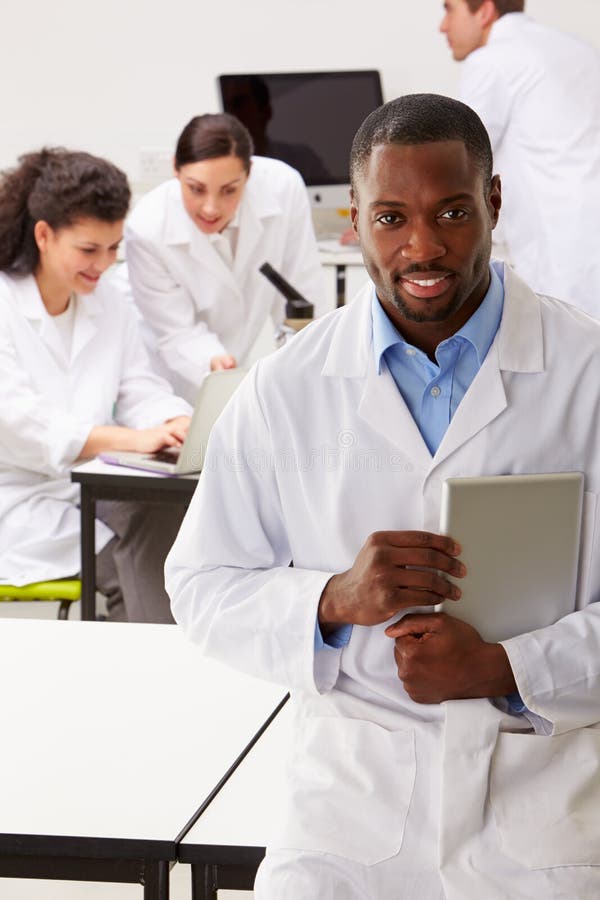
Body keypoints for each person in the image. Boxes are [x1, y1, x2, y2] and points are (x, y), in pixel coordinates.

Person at [166, 93, 600, 898]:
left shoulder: (589, 372)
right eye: (391, 218)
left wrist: (506, 666)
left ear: (494, 201)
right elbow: (202, 585)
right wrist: (332, 600)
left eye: (453, 212)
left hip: (550, 807)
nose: (422, 247)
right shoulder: (285, 389)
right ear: (355, 220)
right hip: (348, 813)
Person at [0, 148, 192, 623]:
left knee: (175, 523)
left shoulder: (107, 301)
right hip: (18, 502)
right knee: (140, 564)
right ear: (44, 235)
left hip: (89, 486)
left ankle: (160, 646)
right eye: (89, 250)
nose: (104, 263)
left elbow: (137, 386)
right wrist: (131, 439)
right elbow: (17, 420)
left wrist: (173, 421)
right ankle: (147, 654)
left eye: (113, 248)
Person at [123, 113, 325, 403]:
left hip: (232, 365)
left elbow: (302, 292)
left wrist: (305, 369)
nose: (211, 208)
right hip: (166, 375)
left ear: (249, 173)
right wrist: (216, 362)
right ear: (175, 169)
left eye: (229, 190)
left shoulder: (283, 188)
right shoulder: (148, 227)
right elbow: (177, 333)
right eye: (196, 189)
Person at [440, 0, 600, 317]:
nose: (443, 26)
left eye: (450, 9)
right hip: (582, 235)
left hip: (565, 248)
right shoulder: (578, 50)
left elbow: (454, 160)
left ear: (484, 11)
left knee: (567, 337)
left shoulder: (491, 61)